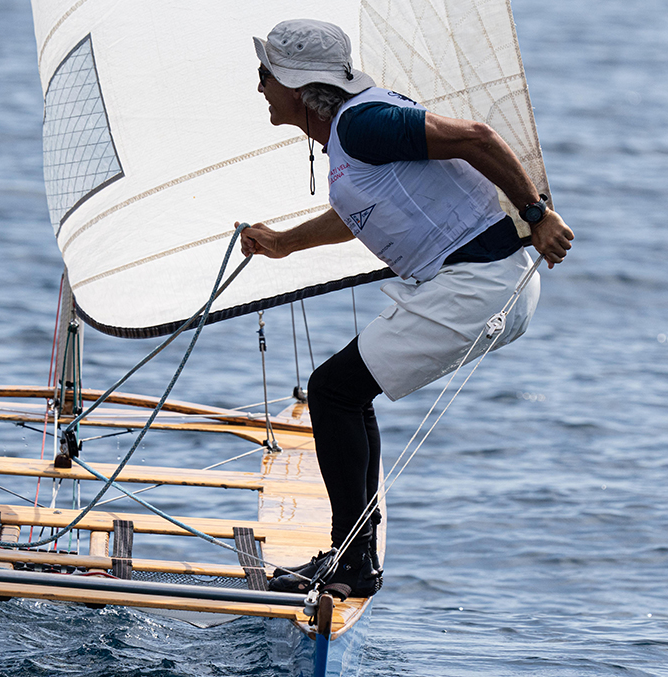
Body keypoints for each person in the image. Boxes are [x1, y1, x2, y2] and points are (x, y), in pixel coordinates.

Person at [242, 19, 574, 597]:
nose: (259, 87)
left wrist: (537, 214)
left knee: (334, 391)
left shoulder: (364, 122)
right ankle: (352, 555)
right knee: (343, 391)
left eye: (265, 75)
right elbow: (362, 210)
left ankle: (352, 563)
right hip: (472, 284)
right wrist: (282, 243)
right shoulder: (352, 132)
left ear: (296, 87)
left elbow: (476, 137)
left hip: (480, 285)